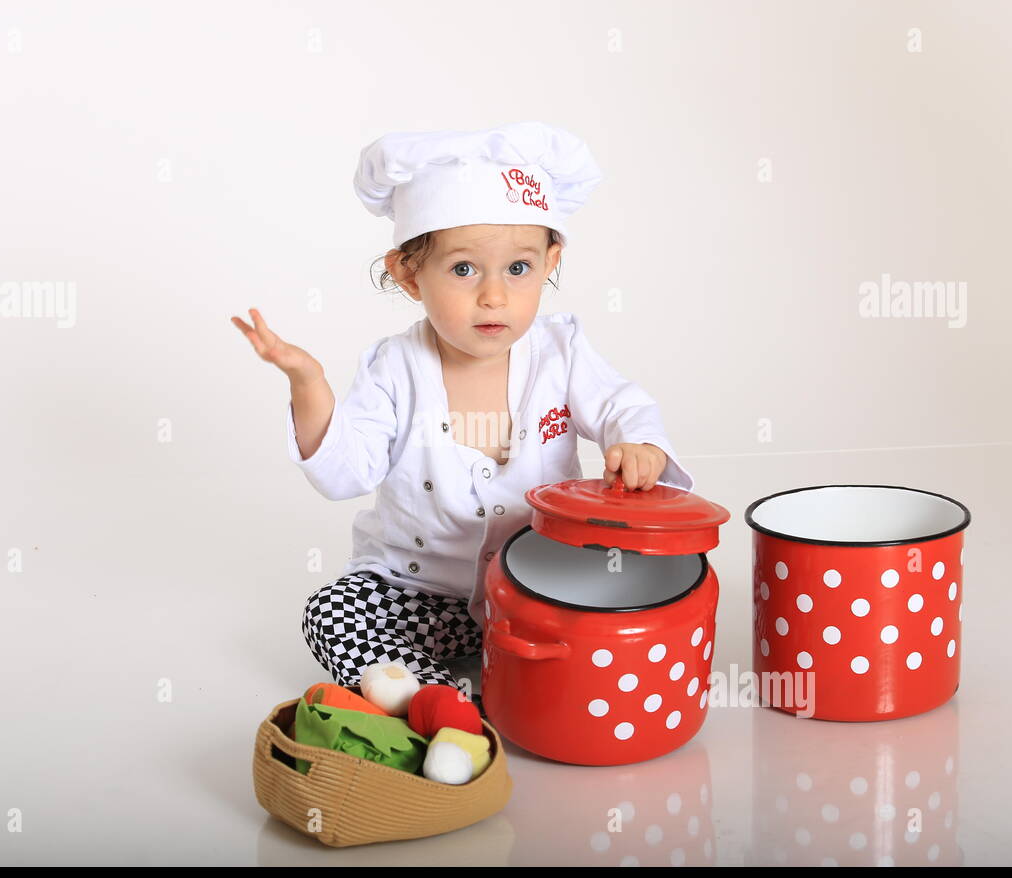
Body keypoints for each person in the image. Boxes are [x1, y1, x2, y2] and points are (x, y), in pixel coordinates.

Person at [232, 121, 696, 700]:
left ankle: (541, 670)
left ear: (550, 261)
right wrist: (309, 383)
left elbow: (621, 405)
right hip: (419, 593)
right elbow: (347, 472)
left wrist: (637, 444)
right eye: (463, 269)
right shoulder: (395, 367)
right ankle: (441, 701)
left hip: (535, 586)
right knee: (331, 613)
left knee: (612, 590)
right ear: (407, 273)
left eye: (518, 269)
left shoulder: (562, 352)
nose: (494, 296)